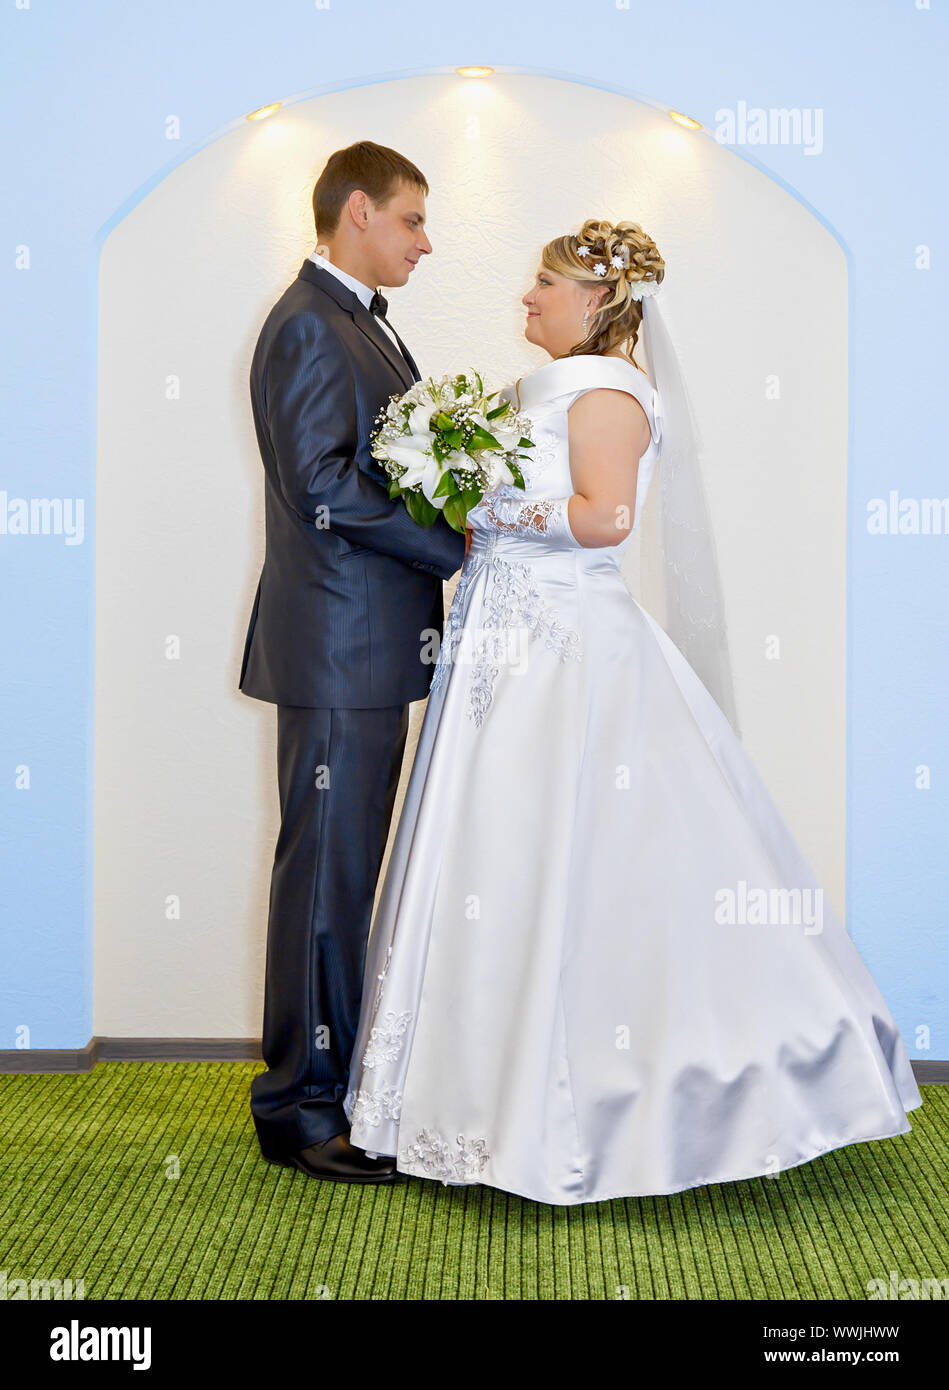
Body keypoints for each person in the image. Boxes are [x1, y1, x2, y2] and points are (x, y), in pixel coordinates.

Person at [342, 217, 923, 1203]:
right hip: (504, 640)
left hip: (563, 651)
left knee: (571, 857)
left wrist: (482, 505)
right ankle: (468, 1106)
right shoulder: (545, 386)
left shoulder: (604, 389)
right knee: (500, 857)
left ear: (597, 301)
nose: (525, 298)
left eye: (542, 284)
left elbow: (605, 519)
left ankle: (589, 1107)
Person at [239, 141, 465, 1182]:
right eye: (412, 220)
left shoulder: (356, 324)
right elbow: (319, 485)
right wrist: (450, 545)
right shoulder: (307, 326)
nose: (425, 240)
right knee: (327, 885)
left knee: (343, 880)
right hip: (339, 652)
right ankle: (298, 1112)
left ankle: (329, 1088)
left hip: (367, 649)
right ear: (359, 212)